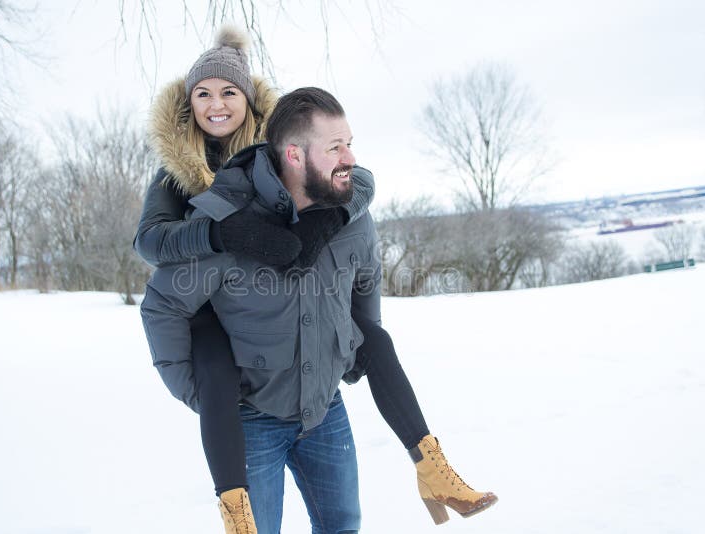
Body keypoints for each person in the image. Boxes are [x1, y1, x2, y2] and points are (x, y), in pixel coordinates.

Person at [136, 28, 497, 534]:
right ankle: (235, 512)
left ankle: (431, 467)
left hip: (321, 406)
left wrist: (331, 222)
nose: (217, 105)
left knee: (343, 520)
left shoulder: (310, 163)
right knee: (214, 363)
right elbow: (151, 249)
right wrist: (222, 232)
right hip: (241, 378)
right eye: (204, 94)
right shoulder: (187, 182)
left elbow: (363, 264)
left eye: (229, 93)